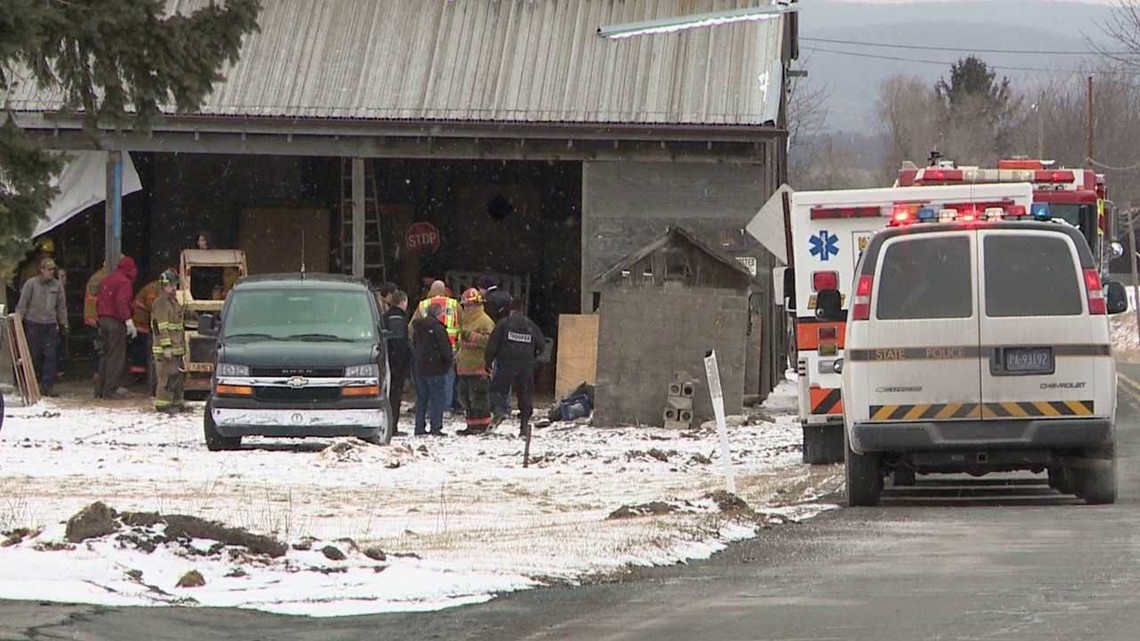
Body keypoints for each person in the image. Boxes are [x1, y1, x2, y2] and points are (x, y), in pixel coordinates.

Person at [485, 299, 544, 438]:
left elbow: (492, 344)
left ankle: (499, 411)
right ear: (523, 309)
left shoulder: (504, 323)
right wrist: (531, 355)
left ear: (510, 310)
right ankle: (524, 426)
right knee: (525, 395)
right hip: (526, 365)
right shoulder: (531, 325)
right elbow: (541, 346)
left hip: (506, 363)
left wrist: (488, 361)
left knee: (498, 390)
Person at [15, 258, 67, 397]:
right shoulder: (31, 284)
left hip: (50, 325)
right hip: (33, 323)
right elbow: (22, 304)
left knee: (50, 356)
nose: (51, 272)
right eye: (48, 269)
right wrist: (18, 322)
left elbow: (61, 307)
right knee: (33, 355)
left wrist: (63, 324)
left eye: (52, 270)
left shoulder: (57, 286)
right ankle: (31, 384)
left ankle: (47, 386)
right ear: (41, 269)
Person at [409, 280, 461, 412]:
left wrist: (417, 345)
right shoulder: (454, 305)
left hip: (427, 351)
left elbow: (411, 328)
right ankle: (445, 407)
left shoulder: (423, 305)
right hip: (451, 348)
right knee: (448, 379)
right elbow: (463, 323)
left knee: (428, 382)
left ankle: (430, 407)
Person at [95, 256, 138, 399]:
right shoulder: (125, 282)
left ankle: (100, 388)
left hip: (103, 319)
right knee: (116, 356)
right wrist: (128, 321)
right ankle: (110, 390)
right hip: (115, 321)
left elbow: (99, 300)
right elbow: (121, 302)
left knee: (105, 355)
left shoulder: (108, 279)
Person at [455, 288, 495, 435]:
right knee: (465, 397)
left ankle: (482, 426)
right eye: (465, 305)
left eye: (469, 305)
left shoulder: (485, 321)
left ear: (477, 305)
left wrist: (472, 337)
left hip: (478, 367)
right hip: (464, 367)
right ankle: (471, 425)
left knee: (479, 398)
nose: (467, 308)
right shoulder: (464, 320)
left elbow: (489, 342)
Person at [412, 303, 452, 436]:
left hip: (420, 367)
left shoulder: (418, 328)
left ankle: (419, 427)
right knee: (437, 398)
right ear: (438, 314)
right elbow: (445, 349)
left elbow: (414, 345)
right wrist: (447, 363)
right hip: (435, 368)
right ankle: (435, 426)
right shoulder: (438, 329)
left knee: (422, 399)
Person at [150, 269, 186, 414]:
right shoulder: (161, 302)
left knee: (176, 377)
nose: (173, 288)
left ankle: (177, 402)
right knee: (166, 378)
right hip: (166, 349)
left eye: (174, 285)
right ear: (163, 286)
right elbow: (160, 327)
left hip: (176, 347)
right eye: (170, 286)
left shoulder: (174, 302)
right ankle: (163, 404)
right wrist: (166, 346)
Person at [383, 290, 412, 435]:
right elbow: (399, 344)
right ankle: (392, 427)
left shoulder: (385, 316)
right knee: (394, 397)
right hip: (396, 364)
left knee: (387, 395)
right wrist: (403, 365)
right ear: (403, 302)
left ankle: (387, 425)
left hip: (387, 361)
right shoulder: (399, 319)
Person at [132, 274, 164, 395]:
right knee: (143, 351)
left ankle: (141, 377)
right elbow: (153, 306)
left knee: (143, 352)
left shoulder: (156, 287)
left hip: (146, 321)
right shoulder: (154, 289)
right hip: (141, 321)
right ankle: (140, 378)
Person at [84, 263, 108, 394]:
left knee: (99, 352)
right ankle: (99, 382)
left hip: (96, 319)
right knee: (99, 352)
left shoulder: (101, 277)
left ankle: (100, 381)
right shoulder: (100, 278)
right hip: (95, 320)